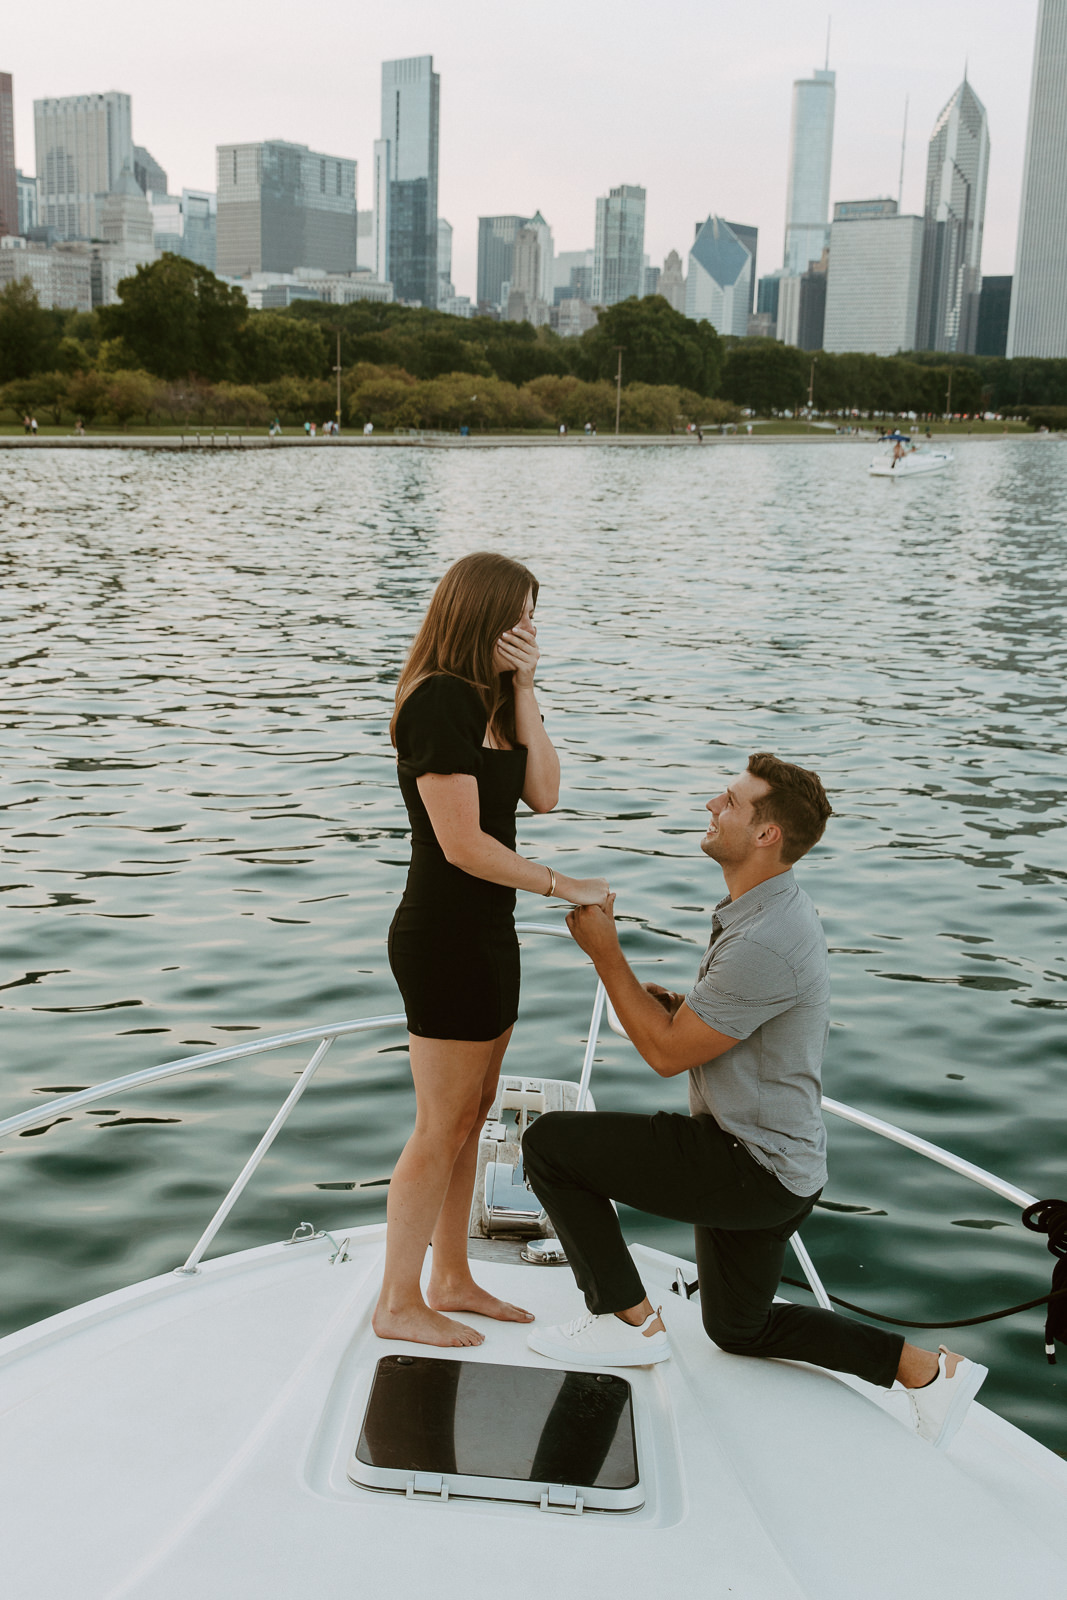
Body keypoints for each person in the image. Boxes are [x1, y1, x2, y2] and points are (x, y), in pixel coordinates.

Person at [522, 753, 988, 1450]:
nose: (713, 805)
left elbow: (665, 1056)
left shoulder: (767, 938)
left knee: (550, 1146)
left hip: (751, 1164)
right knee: (738, 1328)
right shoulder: (767, 910)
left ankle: (624, 1321)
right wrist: (685, 1007)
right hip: (784, 1168)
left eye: (731, 801)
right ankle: (927, 1372)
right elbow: (717, 1025)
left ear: (766, 835)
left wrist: (605, 953)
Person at [374, 552, 609, 1350]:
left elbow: (544, 794)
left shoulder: (491, 700)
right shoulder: (437, 699)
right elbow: (462, 845)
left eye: (533, 617)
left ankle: (450, 1277)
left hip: (488, 933)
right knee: (439, 1125)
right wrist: (563, 885)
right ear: (483, 615)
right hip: (442, 936)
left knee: (472, 1117)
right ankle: (397, 1301)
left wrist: (525, 687)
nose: (530, 628)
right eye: (520, 616)